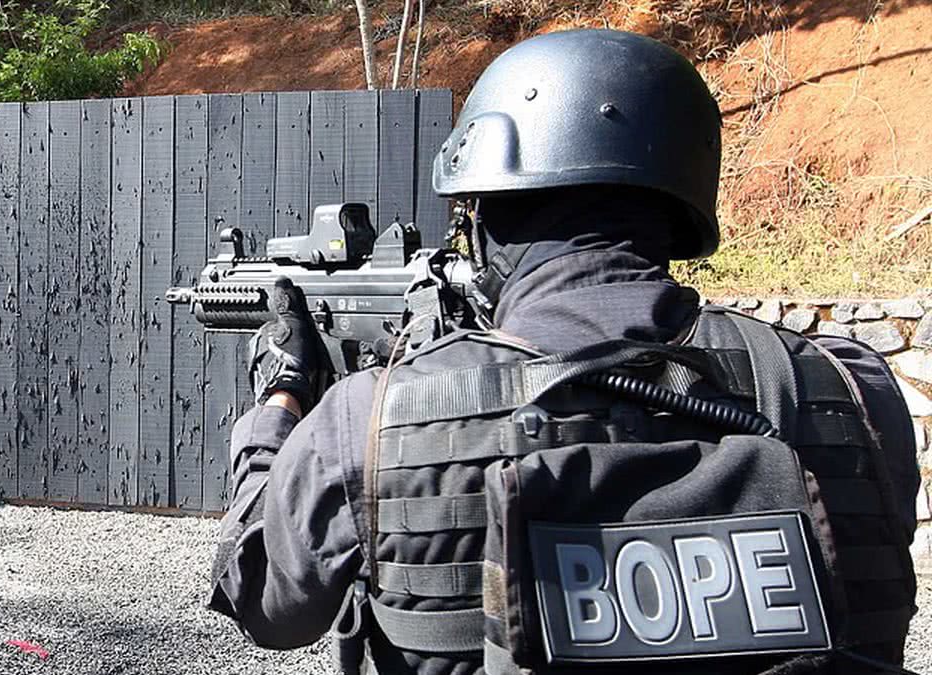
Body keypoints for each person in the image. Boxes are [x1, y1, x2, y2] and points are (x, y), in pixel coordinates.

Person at [208, 29, 918, 674]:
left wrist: (282, 398)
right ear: (679, 206)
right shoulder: (849, 390)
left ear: (482, 214)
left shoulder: (369, 420)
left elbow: (267, 601)